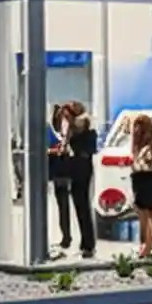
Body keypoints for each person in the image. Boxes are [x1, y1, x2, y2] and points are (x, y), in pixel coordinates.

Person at [63, 101, 98, 258]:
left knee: (82, 206)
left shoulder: (82, 129)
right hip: (80, 168)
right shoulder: (81, 130)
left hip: (81, 169)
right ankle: (86, 242)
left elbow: (79, 147)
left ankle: (88, 243)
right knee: (81, 206)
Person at [129, 113, 152, 258]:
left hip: (147, 179)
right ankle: (150, 244)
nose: (137, 128)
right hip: (138, 179)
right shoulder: (137, 142)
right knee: (146, 213)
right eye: (136, 125)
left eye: (140, 125)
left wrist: (138, 162)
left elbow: (148, 162)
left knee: (150, 213)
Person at [47, 103, 74, 250]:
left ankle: (67, 236)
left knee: (64, 204)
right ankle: (65, 235)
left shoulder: (70, 131)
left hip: (64, 170)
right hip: (59, 171)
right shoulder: (52, 130)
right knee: (62, 204)